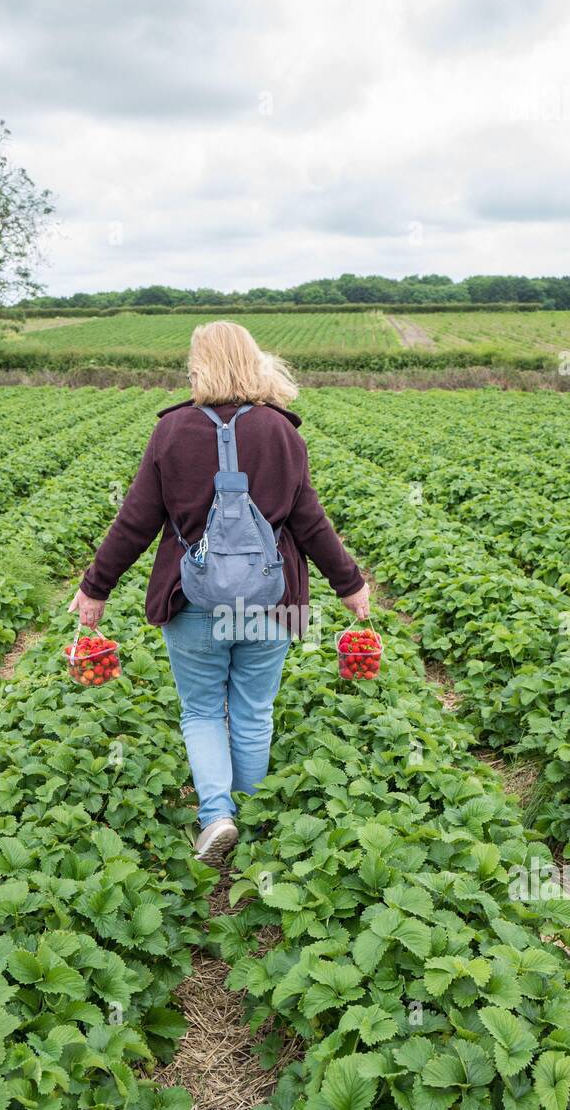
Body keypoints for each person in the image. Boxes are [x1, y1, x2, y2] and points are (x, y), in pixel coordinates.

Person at [69, 320, 370, 865]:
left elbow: (136, 521)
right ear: (253, 361)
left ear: (199, 365)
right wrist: (349, 584)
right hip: (267, 600)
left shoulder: (172, 431)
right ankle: (251, 824)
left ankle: (216, 816)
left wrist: (96, 587)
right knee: (253, 711)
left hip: (194, 601)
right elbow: (310, 521)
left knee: (203, 711)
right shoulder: (282, 432)